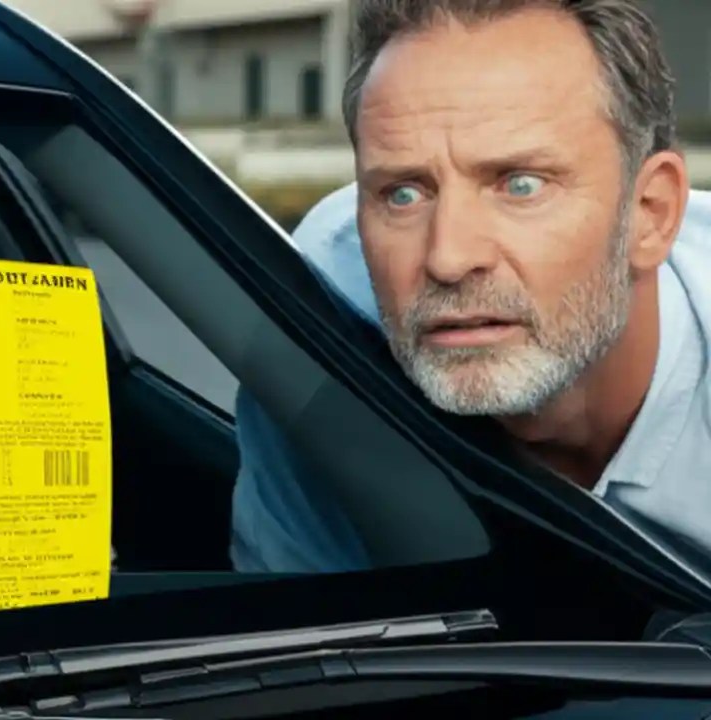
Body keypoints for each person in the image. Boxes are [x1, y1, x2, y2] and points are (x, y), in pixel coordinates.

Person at [232, 0, 711, 573]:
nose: (449, 257)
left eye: (521, 185)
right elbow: (307, 633)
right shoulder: (321, 307)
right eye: (403, 194)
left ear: (650, 213)